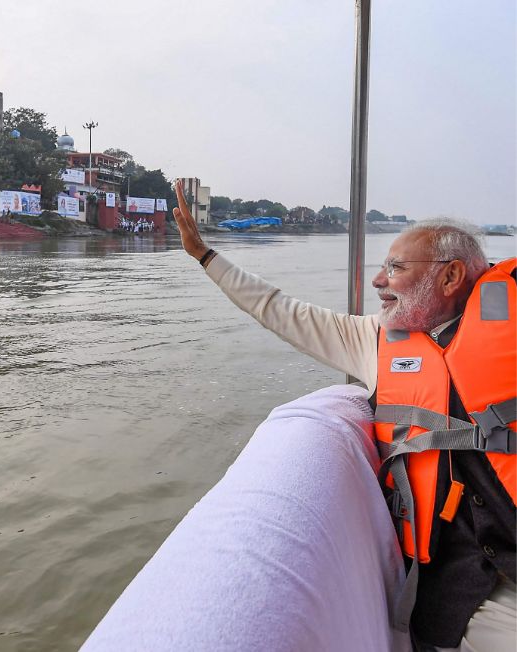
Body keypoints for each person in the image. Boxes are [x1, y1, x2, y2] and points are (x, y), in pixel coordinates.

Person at [170, 181, 515, 650]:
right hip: (472, 591)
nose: (378, 282)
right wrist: (205, 256)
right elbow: (279, 310)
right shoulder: (372, 341)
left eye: (395, 268)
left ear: (451, 276)